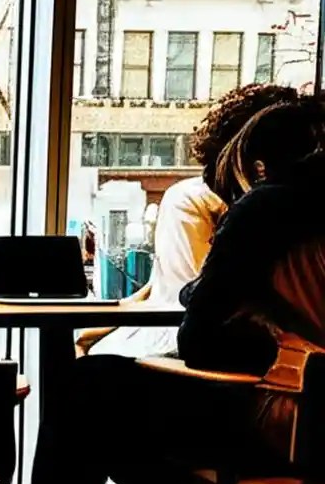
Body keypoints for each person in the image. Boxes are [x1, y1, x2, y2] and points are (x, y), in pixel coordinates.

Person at [19, 96, 325, 484]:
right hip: (312, 423)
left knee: (92, 387)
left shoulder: (268, 207)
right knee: (111, 396)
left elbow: (200, 340)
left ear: (257, 166)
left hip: (293, 423)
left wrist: (249, 335)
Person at [78, 84, 302, 359]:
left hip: (229, 354)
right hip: (285, 357)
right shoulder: (300, 206)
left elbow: (199, 316)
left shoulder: (226, 205)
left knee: (92, 368)